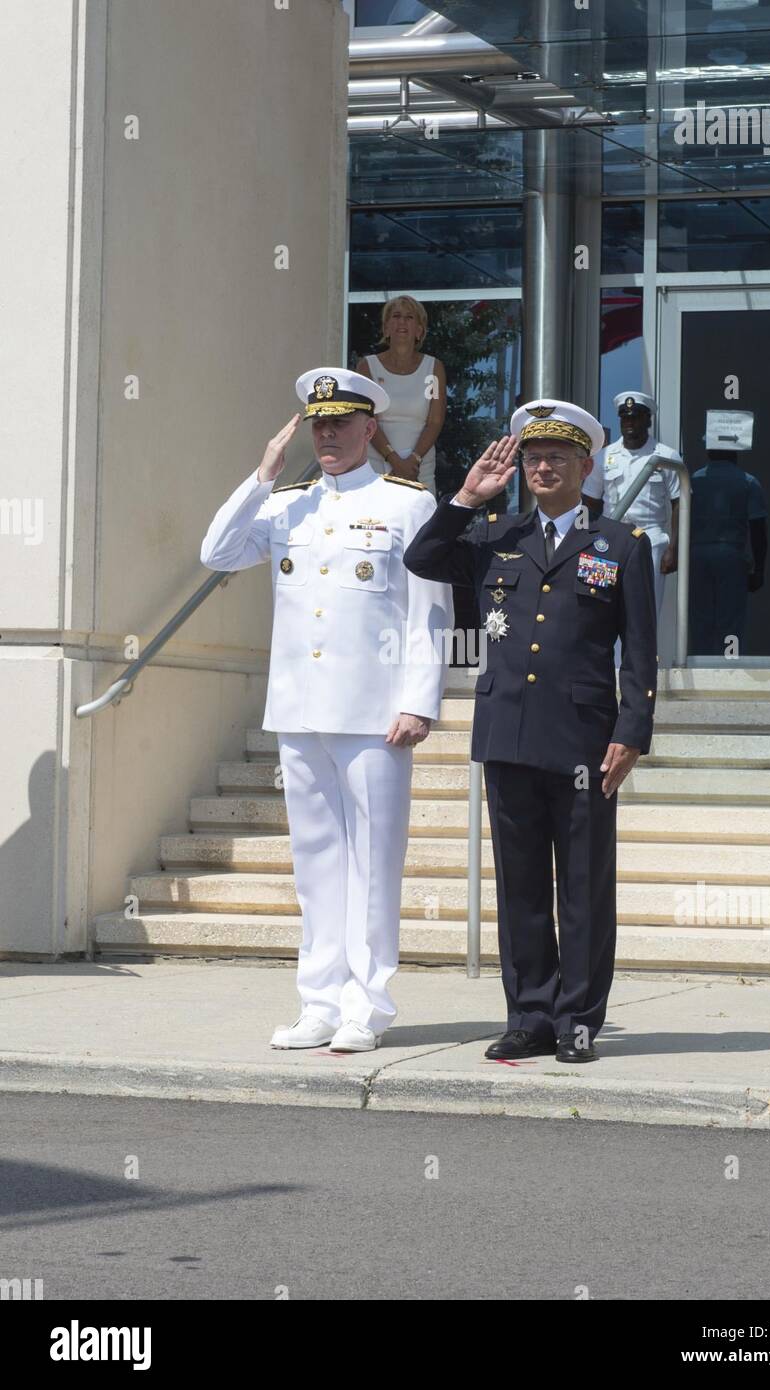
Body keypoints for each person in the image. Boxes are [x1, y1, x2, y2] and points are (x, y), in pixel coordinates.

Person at [200, 368, 453, 1053]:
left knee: (373, 863)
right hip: (300, 709)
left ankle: (366, 1007)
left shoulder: (407, 504)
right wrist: (260, 476)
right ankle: (318, 1001)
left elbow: (429, 612)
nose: (328, 434)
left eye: (341, 423)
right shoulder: (286, 505)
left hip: (375, 713)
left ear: (371, 428)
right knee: (314, 860)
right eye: (318, 424)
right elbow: (216, 551)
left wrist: (418, 701)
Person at [403, 399, 657, 1063]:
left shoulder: (621, 545)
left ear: (585, 464)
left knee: (582, 889)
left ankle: (577, 1023)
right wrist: (463, 495)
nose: (542, 467)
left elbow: (640, 653)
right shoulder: (493, 535)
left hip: (583, 741)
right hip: (509, 735)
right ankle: (529, 1018)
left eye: (557, 456)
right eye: (533, 457)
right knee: (519, 889)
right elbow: (423, 557)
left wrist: (632, 732)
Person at [583, 391, 681, 626]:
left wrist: (675, 549)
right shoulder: (603, 457)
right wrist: (588, 543)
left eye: (635, 417)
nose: (629, 422)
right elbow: (590, 503)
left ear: (648, 420)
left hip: (651, 541)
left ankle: (641, 664)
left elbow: (681, 504)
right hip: (607, 541)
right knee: (599, 609)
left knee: (644, 611)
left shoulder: (666, 456)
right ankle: (608, 664)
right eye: (625, 417)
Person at [356, 295, 446, 492]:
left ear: (419, 330)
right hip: (376, 466)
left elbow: (435, 421)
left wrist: (412, 460)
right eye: (396, 316)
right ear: (386, 328)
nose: (402, 322)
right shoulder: (367, 366)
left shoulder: (434, 368)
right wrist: (394, 460)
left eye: (410, 317)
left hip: (419, 468)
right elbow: (367, 419)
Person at [689, 447, 768, 657]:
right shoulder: (748, 482)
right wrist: (759, 568)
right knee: (730, 619)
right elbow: (758, 528)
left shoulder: (693, 481)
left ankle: (701, 664)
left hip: (697, 555)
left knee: (700, 618)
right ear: (736, 451)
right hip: (731, 556)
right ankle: (729, 664)